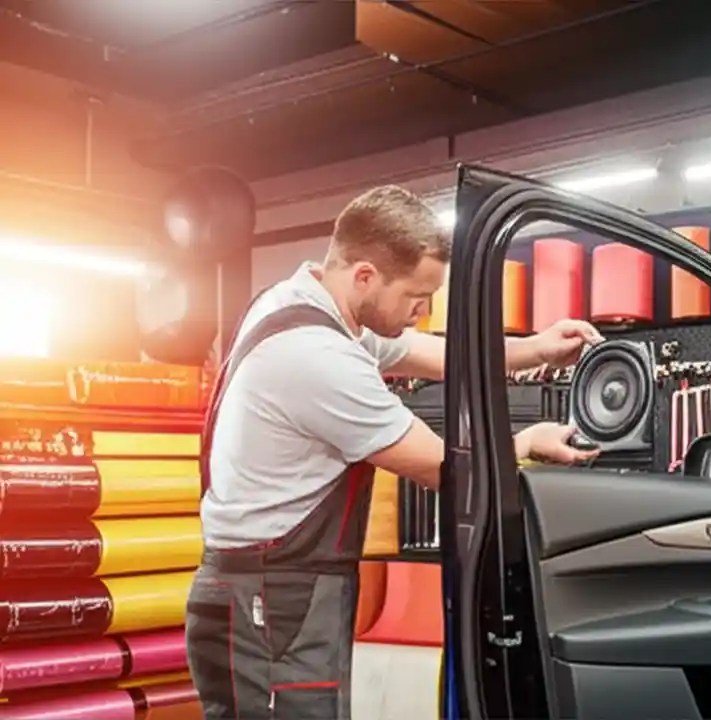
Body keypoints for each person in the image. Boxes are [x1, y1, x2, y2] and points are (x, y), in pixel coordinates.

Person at [184, 185, 600, 720]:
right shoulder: (317, 356)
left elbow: (425, 352)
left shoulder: (306, 304)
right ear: (365, 276)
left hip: (270, 591)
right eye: (416, 297)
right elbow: (445, 468)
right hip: (270, 598)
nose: (423, 312)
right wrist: (525, 444)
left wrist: (535, 349)